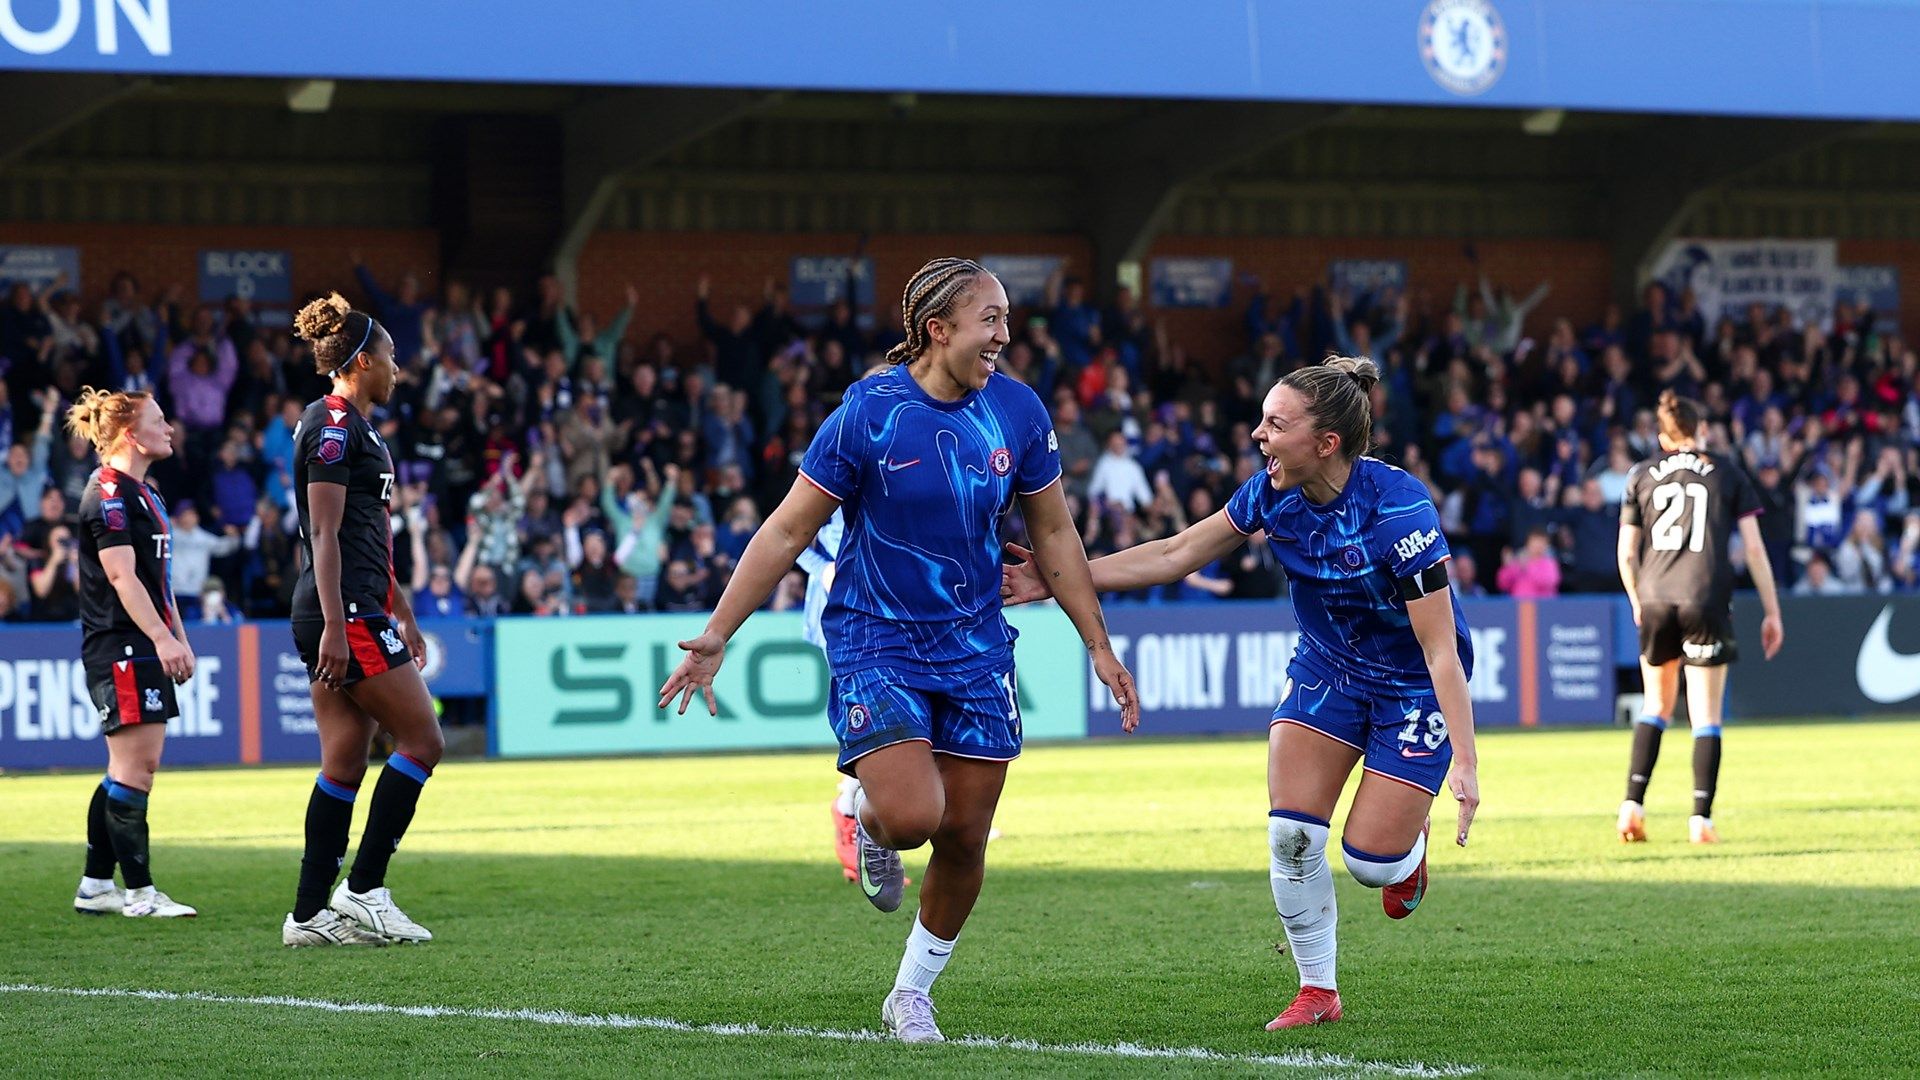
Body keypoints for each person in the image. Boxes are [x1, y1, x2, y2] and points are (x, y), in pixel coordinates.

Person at [659, 258, 1139, 1044]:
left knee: (965, 836)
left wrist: (1098, 645)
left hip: (978, 644)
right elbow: (788, 528)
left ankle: (910, 992)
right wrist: (718, 633)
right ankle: (866, 811)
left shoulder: (1017, 411)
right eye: (989, 319)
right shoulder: (868, 412)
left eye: (1007, 319)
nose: (1003, 336)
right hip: (876, 635)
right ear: (938, 329)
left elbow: (1053, 532)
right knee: (915, 817)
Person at [1001, 357, 1481, 1030]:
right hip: (1329, 670)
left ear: (1327, 443)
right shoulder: (1271, 492)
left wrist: (1465, 761)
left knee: (1372, 866)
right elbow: (1175, 553)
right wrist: (1056, 580)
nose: (1258, 435)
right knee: (1290, 833)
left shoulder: (1399, 514)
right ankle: (1319, 991)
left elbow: (1438, 649)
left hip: (1413, 688)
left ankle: (1407, 851)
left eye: (1275, 424)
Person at [282, 293, 442, 948]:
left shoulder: (360, 428)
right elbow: (323, 535)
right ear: (362, 361)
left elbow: (369, 534)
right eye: (391, 358)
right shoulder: (330, 427)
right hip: (339, 610)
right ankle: (365, 888)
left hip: (358, 606)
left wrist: (399, 609)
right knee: (423, 741)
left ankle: (308, 914)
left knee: (345, 761)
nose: (398, 369)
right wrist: (334, 624)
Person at [1616, 391, 1784, 846]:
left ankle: (1632, 806)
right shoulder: (1726, 472)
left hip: (1654, 596)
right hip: (1704, 595)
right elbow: (1752, 548)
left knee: (1656, 706)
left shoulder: (1640, 473)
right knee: (1705, 715)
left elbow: (1627, 552)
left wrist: (1636, 599)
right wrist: (1772, 610)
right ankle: (1700, 820)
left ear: (1661, 436)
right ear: (1702, 430)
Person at [67, 387, 198, 919]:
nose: (169, 428)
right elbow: (122, 576)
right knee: (136, 770)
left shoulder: (146, 493)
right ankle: (140, 894)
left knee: (124, 768)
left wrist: (178, 636)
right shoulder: (108, 494)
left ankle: (97, 885)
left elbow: (156, 582)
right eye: (159, 420)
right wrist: (161, 638)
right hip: (120, 643)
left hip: (144, 638)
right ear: (129, 435)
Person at [799, 507, 864, 882]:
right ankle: (848, 811)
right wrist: (822, 569)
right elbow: (788, 531)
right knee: (867, 713)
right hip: (841, 607)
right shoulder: (837, 459)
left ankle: (850, 808)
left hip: (887, 601)